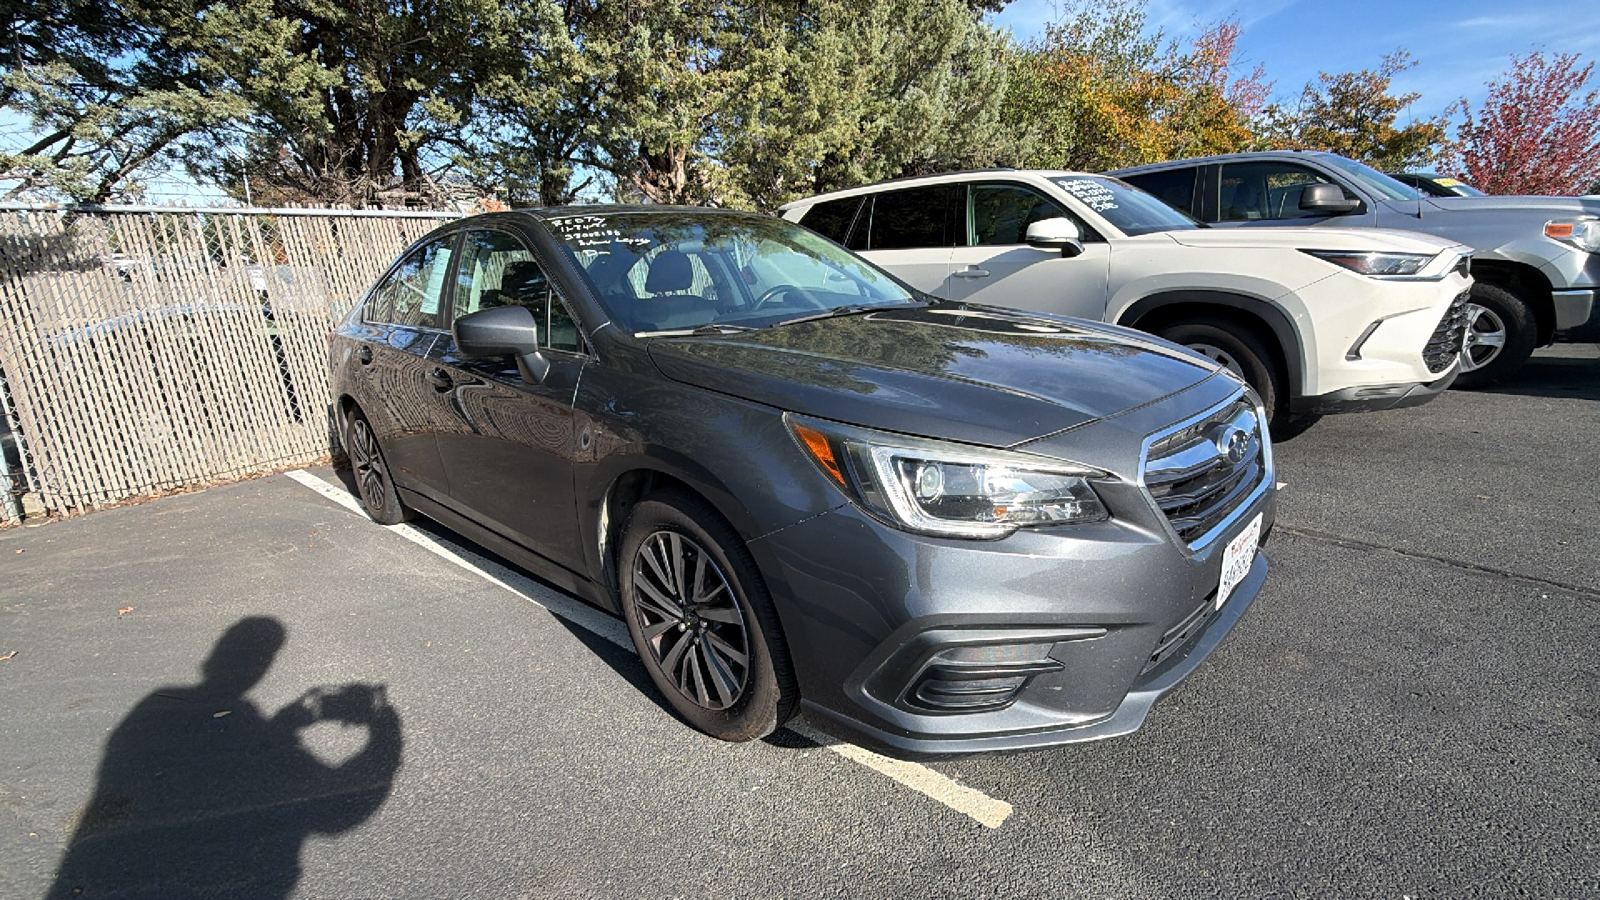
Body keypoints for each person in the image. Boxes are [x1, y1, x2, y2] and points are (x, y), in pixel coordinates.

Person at [47, 616, 402, 898]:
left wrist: (283, 727)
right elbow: (335, 814)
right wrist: (384, 723)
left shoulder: (157, 703)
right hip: (239, 880)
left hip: (112, 871)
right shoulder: (238, 718)